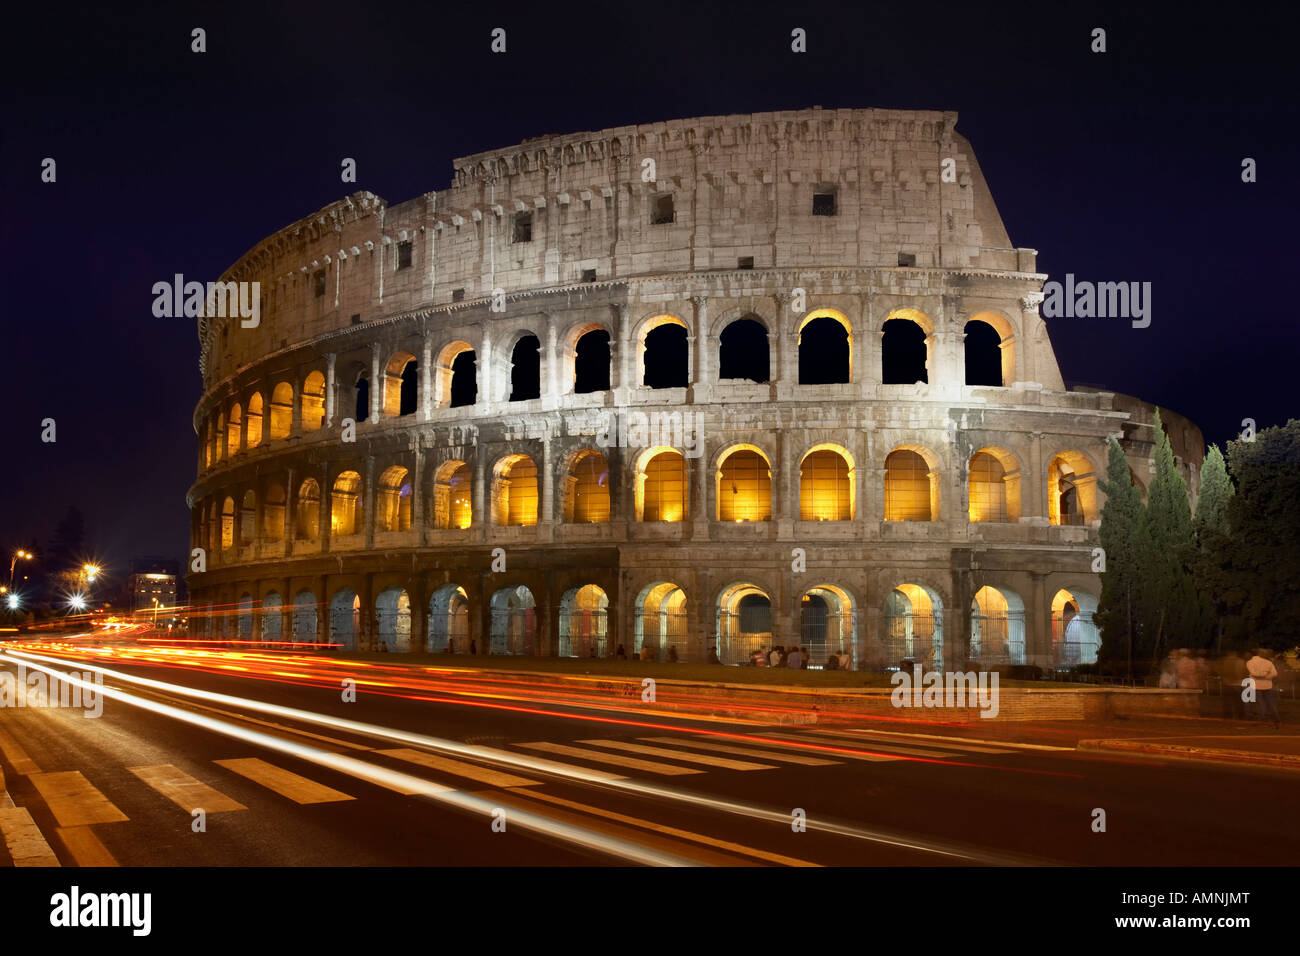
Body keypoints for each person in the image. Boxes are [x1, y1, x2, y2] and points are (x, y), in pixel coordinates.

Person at [1246, 648, 1280, 728]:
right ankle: (1277, 719)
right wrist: (1266, 676)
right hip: (1267, 685)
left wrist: (1261, 675)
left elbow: (1254, 673)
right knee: (1270, 703)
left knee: (1260, 703)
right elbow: (1275, 673)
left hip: (1256, 686)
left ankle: (1263, 719)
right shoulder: (1269, 663)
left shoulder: (1250, 662)